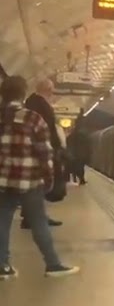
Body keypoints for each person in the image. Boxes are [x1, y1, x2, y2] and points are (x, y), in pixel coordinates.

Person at [0, 76, 78, 279]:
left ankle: (2, 266)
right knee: (39, 222)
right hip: (30, 180)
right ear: (23, 93)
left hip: (2, 181)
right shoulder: (33, 118)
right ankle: (53, 265)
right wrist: (49, 180)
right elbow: (45, 154)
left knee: (2, 221)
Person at [21, 79, 62, 228]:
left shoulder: (33, 102)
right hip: (38, 149)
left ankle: (30, 217)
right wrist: (54, 146)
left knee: (35, 185)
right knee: (39, 184)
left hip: (34, 148)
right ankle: (35, 218)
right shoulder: (39, 104)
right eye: (51, 89)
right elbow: (46, 128)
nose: (53, 93)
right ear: (47, 89)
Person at [67, 115, 89, 185]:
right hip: (81, 154)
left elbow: (69, 142)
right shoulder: (83, 134)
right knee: (81, 166)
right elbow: (86, 144)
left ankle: (75, 178)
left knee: (75, 166)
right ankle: (81, 179)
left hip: (74, 153)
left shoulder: (72, 134)